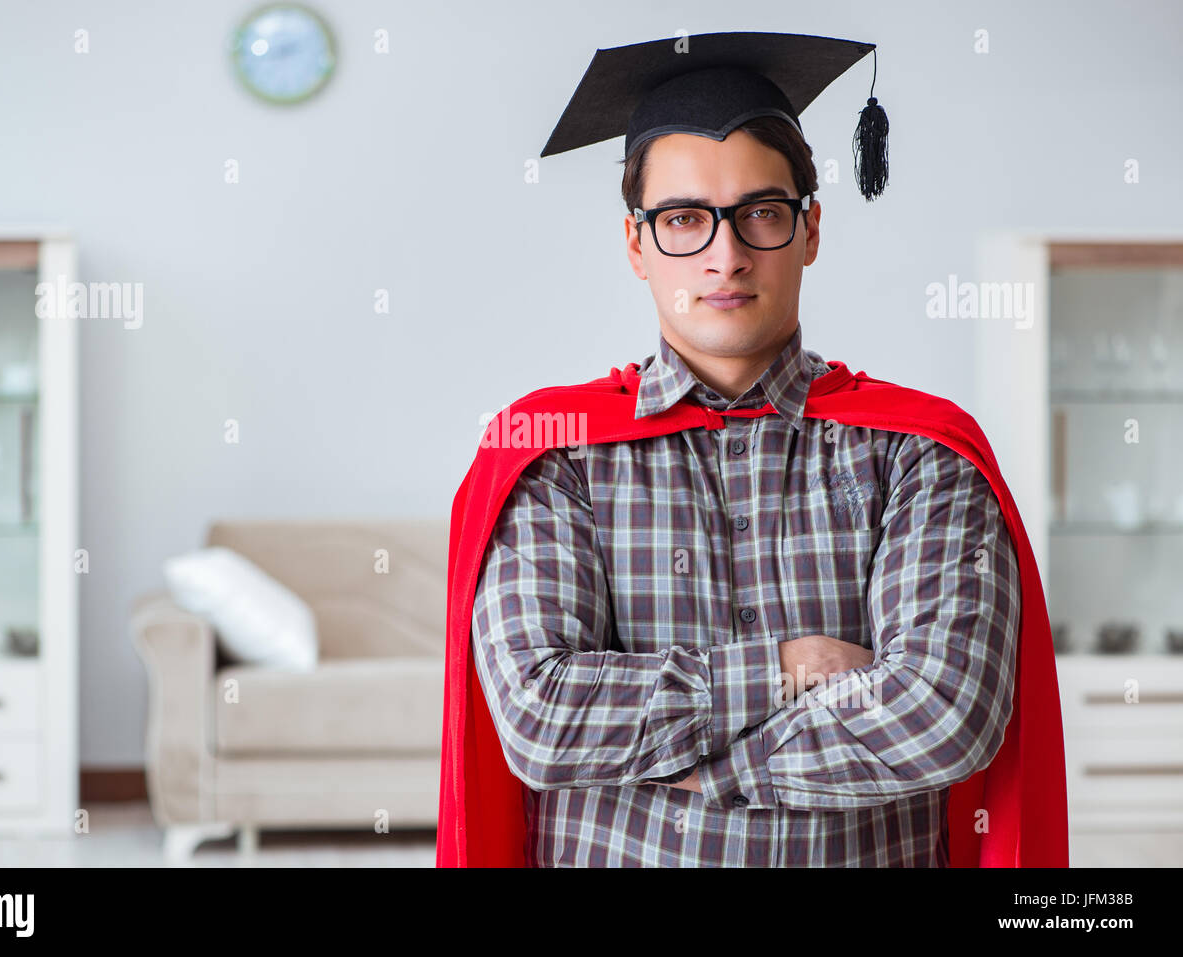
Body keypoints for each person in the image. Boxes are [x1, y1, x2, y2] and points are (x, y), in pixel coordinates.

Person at [437, 31, 1067, 867]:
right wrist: (789, 667)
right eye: (684, 220)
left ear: (810, 231)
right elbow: (541, 720)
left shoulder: (917, 452)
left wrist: (730, 771)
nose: (725, 256)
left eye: (761, 213)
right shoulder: (553, 453)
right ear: (637, 245)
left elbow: (947, 709)